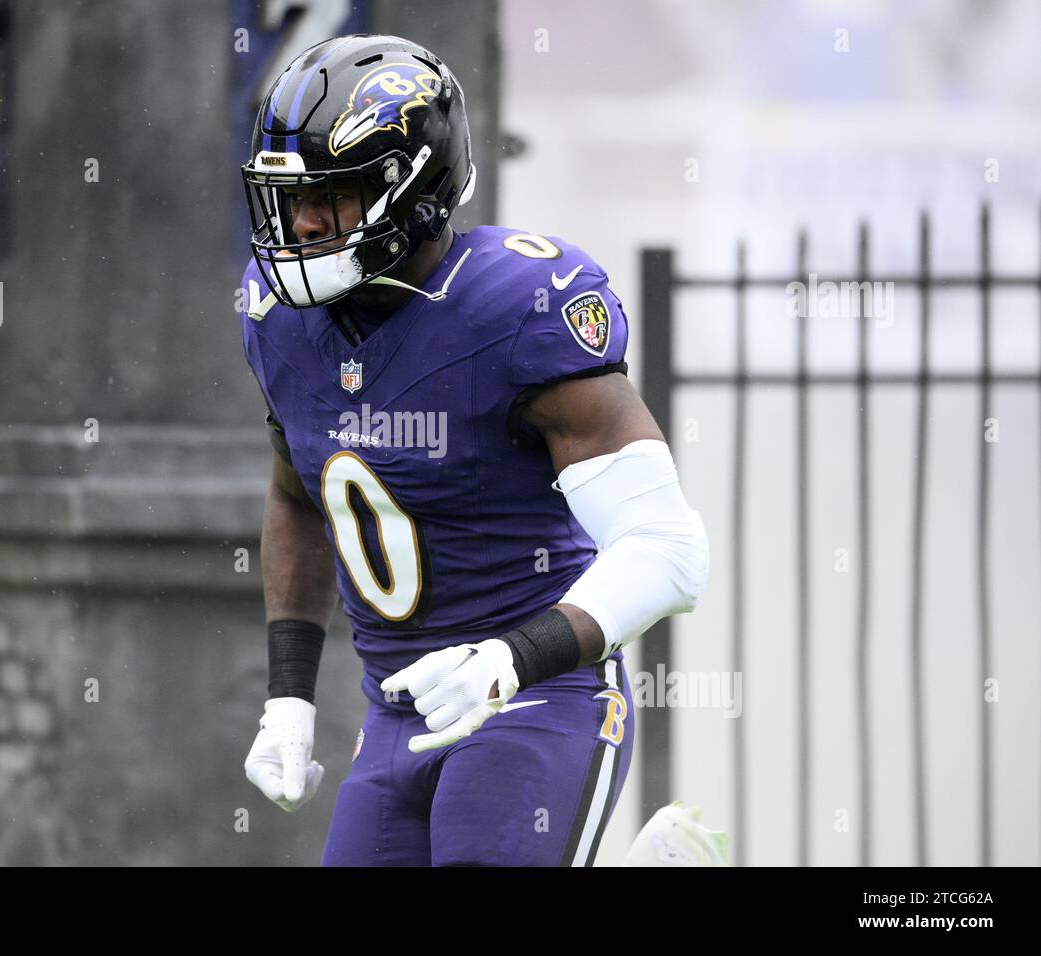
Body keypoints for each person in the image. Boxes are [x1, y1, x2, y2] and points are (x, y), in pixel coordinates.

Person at [239, 33, 709, 866]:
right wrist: (288, 698)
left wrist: (509, 659)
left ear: (410, 191)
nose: (302, 223)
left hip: (536, 697)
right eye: (288, 198)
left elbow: (671, 553)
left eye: (332, 196)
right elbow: (295, 494)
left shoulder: (515, 310)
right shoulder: (282, 320)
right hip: (394, 715)